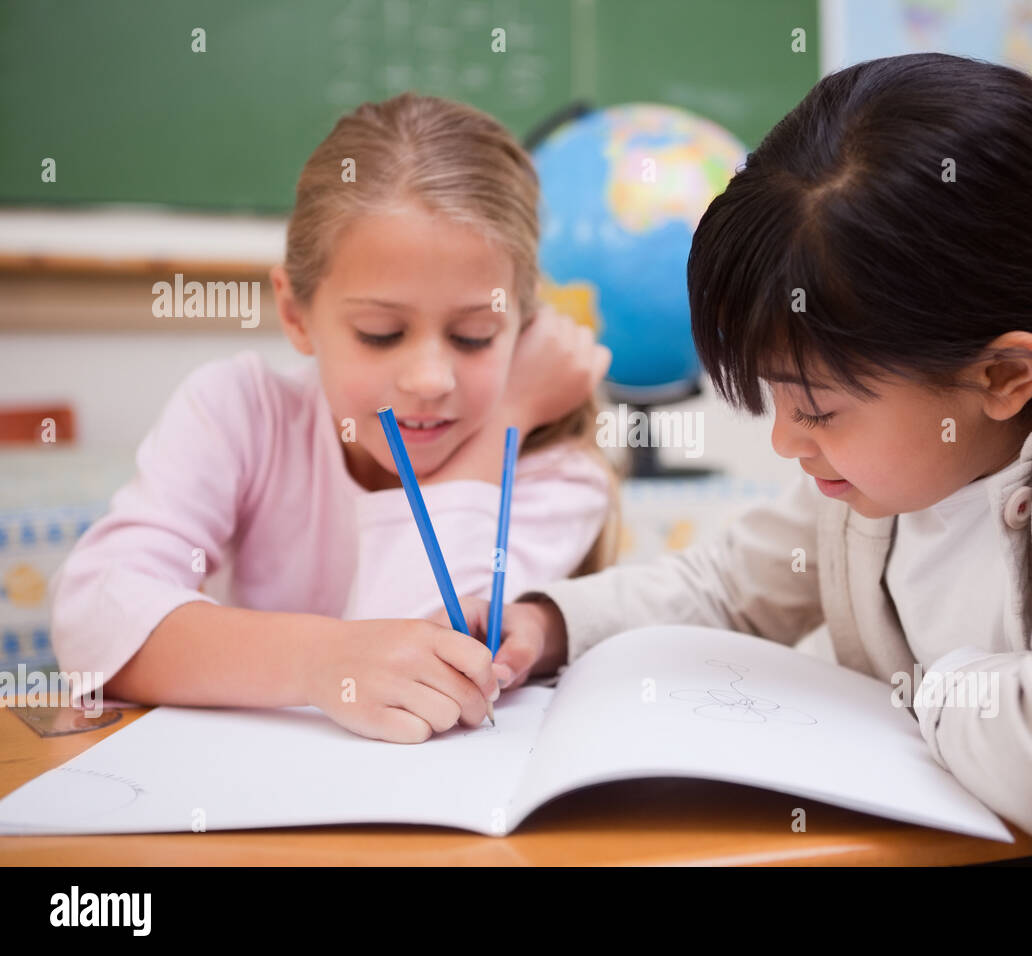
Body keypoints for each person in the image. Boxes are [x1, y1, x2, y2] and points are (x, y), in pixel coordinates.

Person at [448, 54, 1032, 865]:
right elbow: (730, 587)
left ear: (1002, 375)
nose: (785, 440)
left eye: (816, 408)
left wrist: (937, 686)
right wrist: (547, 623)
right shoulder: (906, 465)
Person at [52, 93, 618, 745]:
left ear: (525, 327)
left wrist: (506, 422)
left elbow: (419, 675)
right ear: (295, 315)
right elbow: (95, 615)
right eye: (380, 333)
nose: (430, 380)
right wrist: (321, 661)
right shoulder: (240, 412)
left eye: (474, 336)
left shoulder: (556, 475)